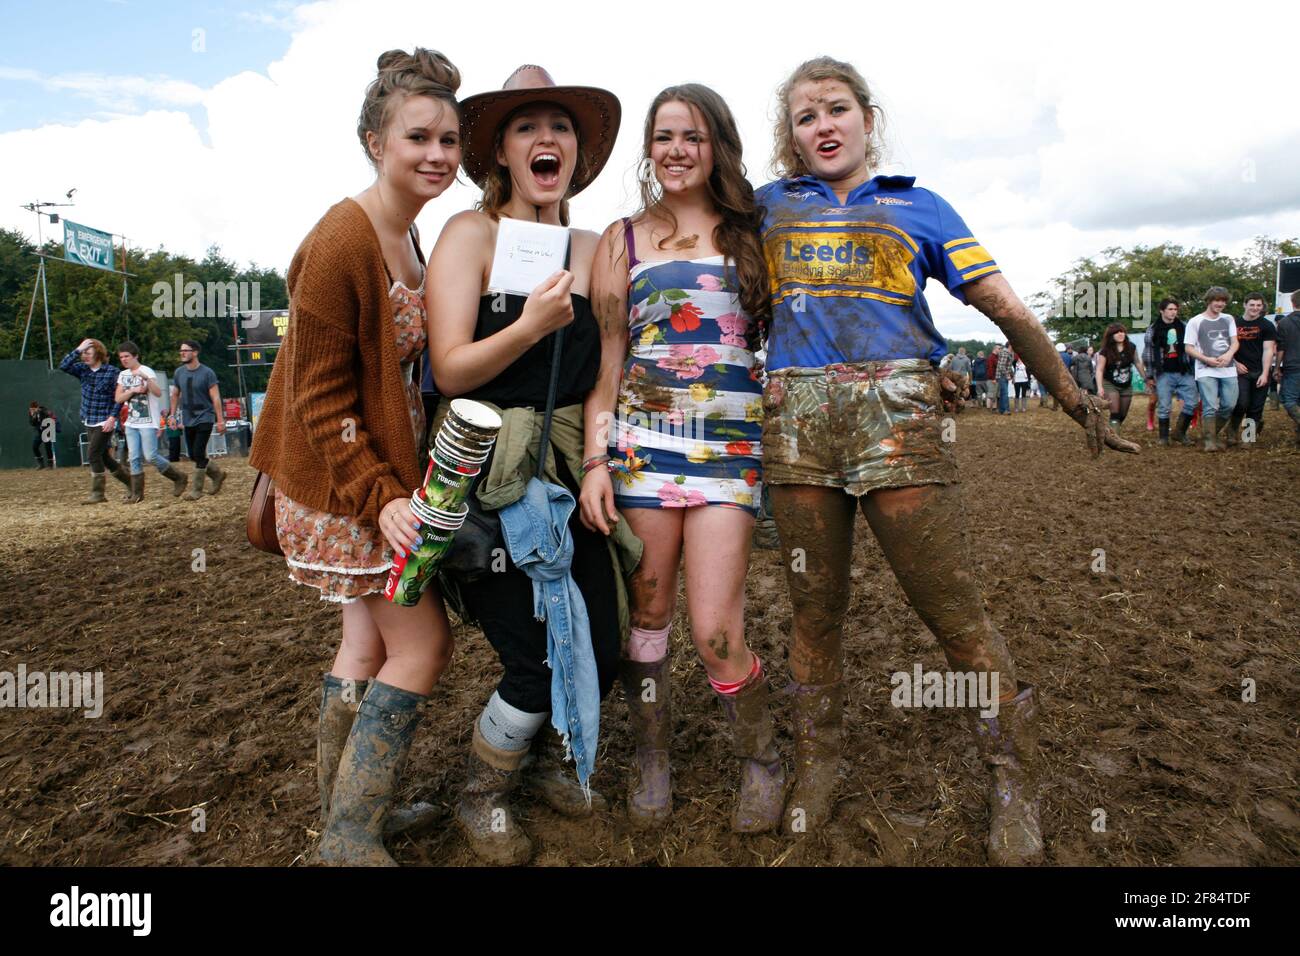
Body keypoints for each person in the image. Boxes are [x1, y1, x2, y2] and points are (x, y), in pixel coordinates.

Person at [755, 55, 1135, 864]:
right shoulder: (764, 211)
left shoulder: (920, 206)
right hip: (796, 425)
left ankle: (1011, 782)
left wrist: (1074, 400)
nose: (822, 126)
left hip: (899, 421)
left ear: (867, 118)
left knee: (953, 615)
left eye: (835, 109)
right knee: (813, 613)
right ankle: (818, 767)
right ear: (789, 138)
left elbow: (1005, 308)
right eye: (804, 117)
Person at [249, 48, 462, 866]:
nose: (438, 154)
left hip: (371, 477)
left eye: (448, 139)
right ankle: (347, 836)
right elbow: (320, 399)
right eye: (419, 137)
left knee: (366, 647)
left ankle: (347, 811)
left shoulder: (410, 232)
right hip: (342, 484)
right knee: (424, 646)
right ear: (376, 140)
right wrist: (381, 496)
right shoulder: (342, 238)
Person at [427, 64, 630, 865]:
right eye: (525, 127)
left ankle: (547, 763)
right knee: (535, 657)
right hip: (489, 470)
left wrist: (597, 464)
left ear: (576, 152)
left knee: (604, 645)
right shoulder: (468, 234)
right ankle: (483, 792)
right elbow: (451, 369)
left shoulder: (597, 246)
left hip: (575, 461)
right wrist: (529, 325)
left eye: (561, 127)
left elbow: (607, 366)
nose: (547, 139)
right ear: (501, 155)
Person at [581, 84, 777, 833]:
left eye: (691, 136)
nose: (675, 150)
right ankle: (650, 754)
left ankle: (761, 758)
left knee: (717, 633)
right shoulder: (621, 240)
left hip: (729, 456)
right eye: (663, 136)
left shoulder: (754, 233)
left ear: (716, 145)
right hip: (642, 455)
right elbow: (607, 367)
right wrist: (598, 462)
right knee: (648, 619)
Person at [114, 342, 189, 501]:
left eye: (127, 356)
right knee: (133, 457)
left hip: (148, 422)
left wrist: (146, 379)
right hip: (131, 422)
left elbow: (157, 393)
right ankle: (137, 494)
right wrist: (133, 390)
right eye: (121, 357)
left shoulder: (146, 371)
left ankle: (178, 477)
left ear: (136, 356)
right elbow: (118, 398)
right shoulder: (123, 375)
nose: (124, 359)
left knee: (150, 456)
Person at [59, 338, 128, 504]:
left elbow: (118, 399)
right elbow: (63, 366)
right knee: (105, 458)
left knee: (92, 453)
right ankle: (132, 482)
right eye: (83, 353)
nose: (84, 356)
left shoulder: (112, 372)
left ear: (98, 353)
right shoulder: (82, 370)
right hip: (88, 418)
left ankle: (98, 494)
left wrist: (112, 418)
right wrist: (77, 349)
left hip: (104, 420)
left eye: (87, 353)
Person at [1183, 287, 1239, 451]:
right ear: (1209, 301)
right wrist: (1206, 359)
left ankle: (1210, 435)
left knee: (1229, 404)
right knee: (1210, 405)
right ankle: (1209, 442)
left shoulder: (1228, 319)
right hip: (1205, 369)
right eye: (1216, 300)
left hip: (1228, 368)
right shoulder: (1195, 321)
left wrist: (1229, 355)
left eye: (1223, 301)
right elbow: (1189, 347)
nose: (1220, 303)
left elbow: (1235, 342)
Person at [169, 341, 227, 499]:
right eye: (180, 350)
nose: (182, 353)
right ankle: (217, 475)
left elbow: (215, 397)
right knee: (194, 455)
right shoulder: (179, 373)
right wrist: (172, 415)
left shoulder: (208, 373)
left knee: (198, 452)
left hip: (205, 417)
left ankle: (197, 490)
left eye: (186, 350)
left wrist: (220, 420)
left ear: (195, 352)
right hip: (188, 418)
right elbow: (174, 395)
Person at [1142, 298, 1197, 445]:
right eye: (1170, 309)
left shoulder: (1184, 326)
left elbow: (1191, 348)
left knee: (1192, 403)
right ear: (1162, 311)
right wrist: (1149, 375)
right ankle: (1163, 438)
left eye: (1175, 309)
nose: (1173, 312)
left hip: (1184, 370)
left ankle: (1180, 433)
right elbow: (1148, 354)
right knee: (1164, 406)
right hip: (1163, 372)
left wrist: (1194, 369)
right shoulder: (1153, 329)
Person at [1228, 292, 1276, 446]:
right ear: (1245, 305)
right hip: (1241, 371)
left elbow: (1268, 350)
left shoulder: (1267, 325)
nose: (1255, 308)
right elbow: (1227, 347)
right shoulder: (1234, 323)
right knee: (1241, 403)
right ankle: (1232, 432)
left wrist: (1265, 373)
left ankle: (1248, 438)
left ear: (1262, 307)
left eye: (1258, 305)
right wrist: (1235, 363)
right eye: (1252, 305)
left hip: (1260, 371)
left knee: (1256, 407)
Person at [1094, 323, 1147, 435]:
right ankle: (1114, 438)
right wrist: (1100, 388)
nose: (1120, 334)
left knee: (1122, 414)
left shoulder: (1131, 347)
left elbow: (1137, 362)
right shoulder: (1105, 350)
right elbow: (1099, 369)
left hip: (1126, 385)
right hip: (1110, 384)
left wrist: (1146, 378)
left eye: (1122, 331)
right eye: (1117, 332)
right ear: (1111, 335)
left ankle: (1109, 431)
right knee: (1115, 412)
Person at [1275, 290, 1300, 446]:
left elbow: (1281, 348)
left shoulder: (1284, 323)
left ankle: (1248, 437)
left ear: (1292, 302)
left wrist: (1276, 367)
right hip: (1294, 366)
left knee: (1288, 399)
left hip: (1293, 366)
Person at [28, 401, 56, 468]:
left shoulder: (43, 411)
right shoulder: (31, 413)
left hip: (48, 430)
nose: (32, 410)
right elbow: (32, 423)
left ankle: (50, 464)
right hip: (40, 431)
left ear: (37, 408)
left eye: (34, 409)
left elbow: (48, 420)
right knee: (35, 446)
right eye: (31, 409)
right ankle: (41, 464)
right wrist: (33, 416)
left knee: (48, 447)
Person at [995, 341, 1014, 414]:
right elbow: (1001, 366)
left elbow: (1009, 366)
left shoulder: (1010, 353)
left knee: (1003, 393)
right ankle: (1005, 410)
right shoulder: (1004, 353)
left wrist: (1012, 376)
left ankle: (1002, 410)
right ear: (1010, 345)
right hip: (1001, 376)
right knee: (1005, 393)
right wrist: (1007, 375)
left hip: (1004, 375)